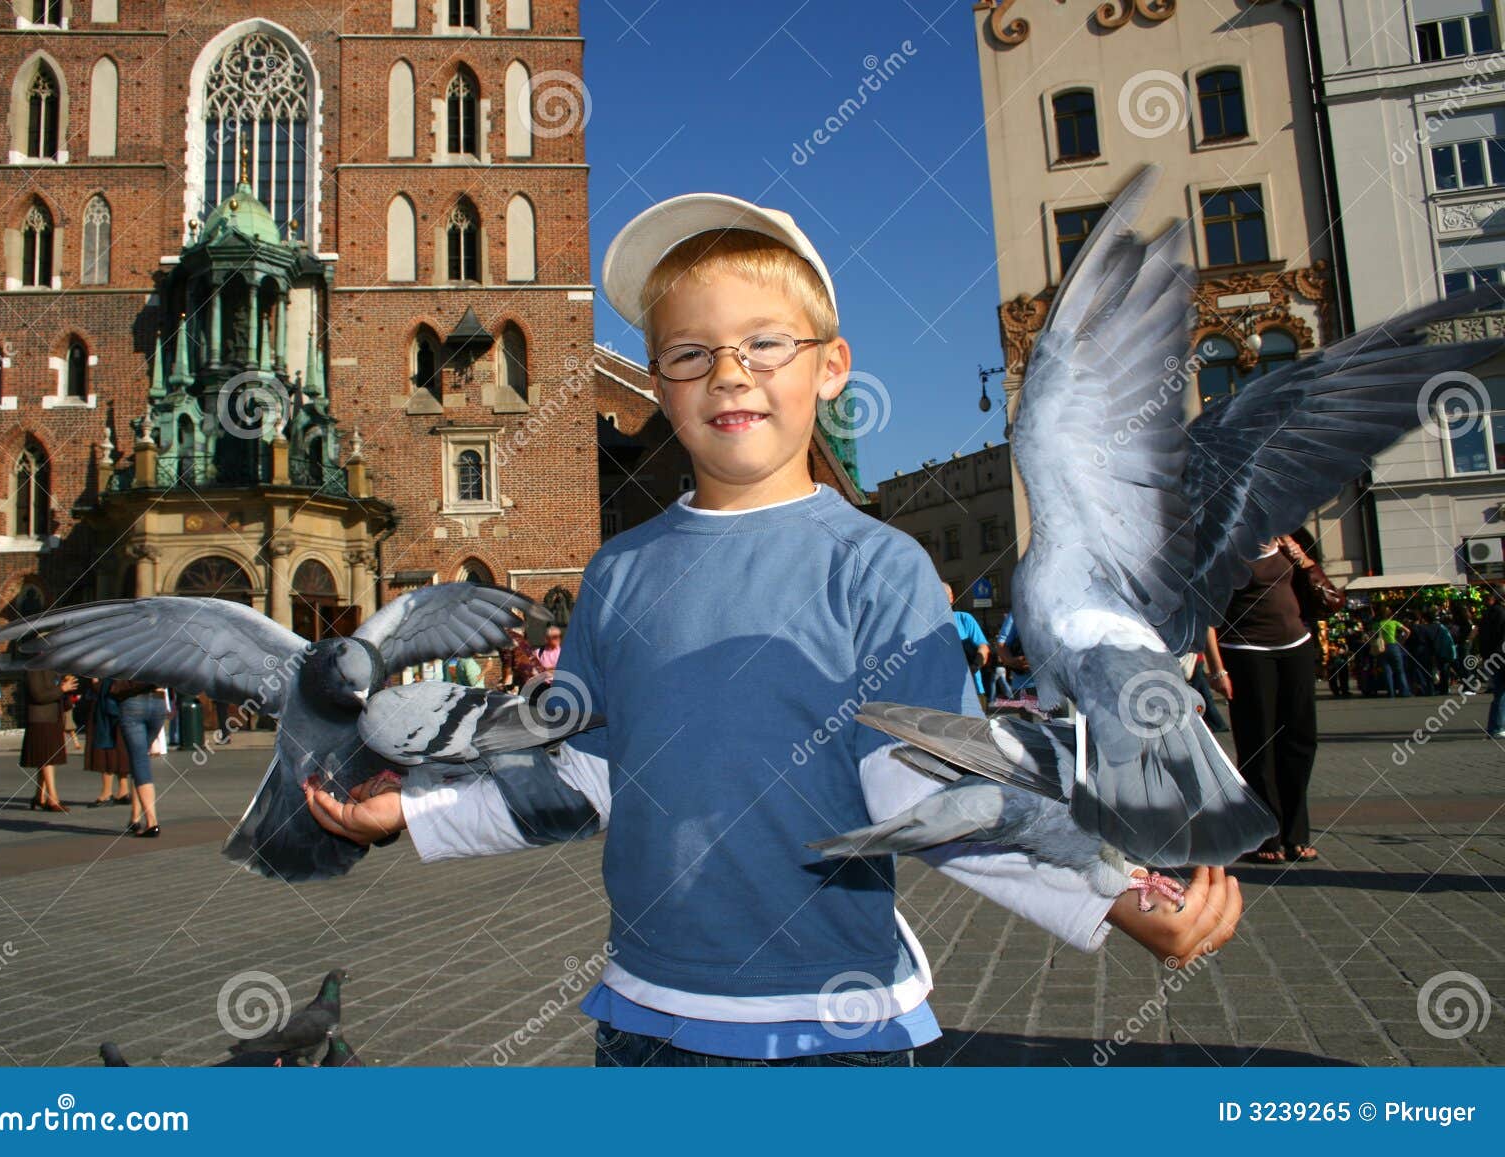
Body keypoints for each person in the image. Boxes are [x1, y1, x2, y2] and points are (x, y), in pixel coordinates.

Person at [304, 194, 1241, 1067]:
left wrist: (1113, 894)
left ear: (831, 367)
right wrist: (413, 811)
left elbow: (938, 789)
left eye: (764, 343)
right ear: (659, 384)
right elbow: (583, 773)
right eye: (689, 353)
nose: (728, 374)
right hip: (643, 1018)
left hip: (837, 1030)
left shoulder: (878, 566)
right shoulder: (617, 572)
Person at [1207, 538, 1320, 864]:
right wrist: (1217, 669)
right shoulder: (1223, 550)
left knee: (1301, 741)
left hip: (1297, 646)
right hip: (1248, 654)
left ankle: (1296, 834)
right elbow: (1208, 615)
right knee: (1259, 746)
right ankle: (1265, 836)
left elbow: (1312, 581)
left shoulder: (1286, 538)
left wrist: (1300, 556)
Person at [111, 678, 168, 836]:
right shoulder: (157, 652)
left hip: (132, 701)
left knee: (139, 761)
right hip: (158, 702)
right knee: (140, 759)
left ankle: (152, 822)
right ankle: (135, 817)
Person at [21, 669, 77, 812]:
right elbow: (38, 695)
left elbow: (55, 692)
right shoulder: (34, 669)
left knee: (45, 758)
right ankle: (53, 798)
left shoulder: (53, 668)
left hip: (53, 718)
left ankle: (40, 796)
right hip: (41, 719)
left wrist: (65, 686)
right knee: (48, 758)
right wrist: (61, 688)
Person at [80, 677, 132, 808]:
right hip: (121, 710)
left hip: (104, 712)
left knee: (105, 750)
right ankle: (123, 790)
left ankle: (106, 793)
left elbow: (102, 687)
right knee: (121, 748)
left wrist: (95, 682)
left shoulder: (104, 666)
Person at [943, 582, 989, 698]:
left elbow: (983, 647)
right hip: (941, 692)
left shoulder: (964, 618)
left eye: (944, 595)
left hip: (972, 690)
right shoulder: (925, 625)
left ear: (951, 598)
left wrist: (975, 666)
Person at [1475, 583, 1505, 737]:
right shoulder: (1501, 613)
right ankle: (1497, 727)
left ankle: (1496, 726)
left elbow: (1483, 638)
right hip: (1501, 657)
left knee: (1499, 691)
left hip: (1492, 657)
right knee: (1501, 693)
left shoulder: (1487, 614)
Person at [1372, 603, 1412, 698]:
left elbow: (1372, 636)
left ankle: (1391, 692)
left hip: (1382, 647)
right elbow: (1408, 631)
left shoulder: (1377, 624)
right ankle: (1404, 691)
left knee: (1387, 671)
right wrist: (1401, 641)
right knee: (1399, 671)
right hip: (1394, 646)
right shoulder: (1394, 623)